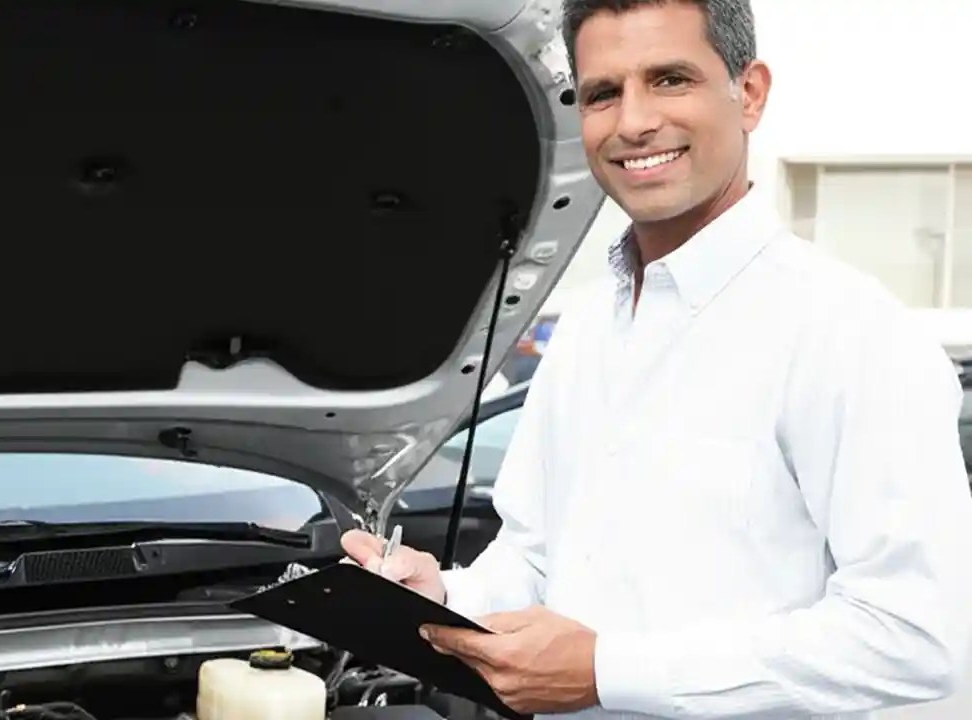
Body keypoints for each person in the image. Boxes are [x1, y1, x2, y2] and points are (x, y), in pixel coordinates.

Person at [341, 0, 972, 717]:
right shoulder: (587, 331)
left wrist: (609, 671)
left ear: (750, 93)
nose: (634, 122)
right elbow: (539, 561)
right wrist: (450, 596)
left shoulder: (852, 334)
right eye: (604, 93)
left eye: (670, 79)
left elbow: (916, 638)